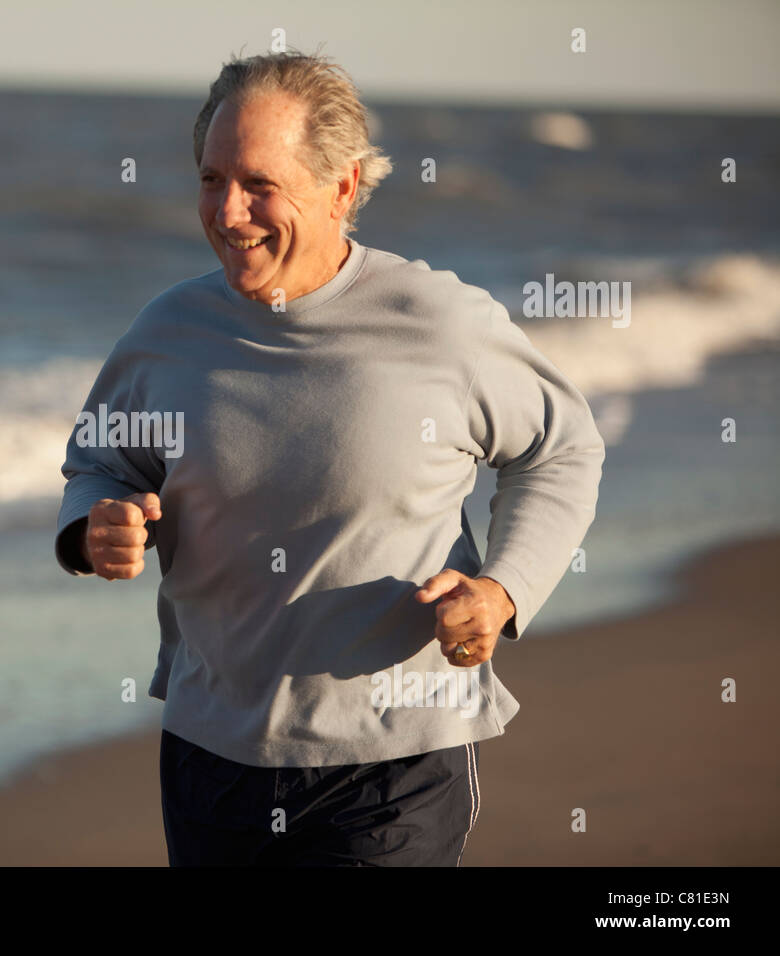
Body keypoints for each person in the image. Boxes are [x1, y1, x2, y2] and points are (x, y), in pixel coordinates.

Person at [55, 53, 605, 866]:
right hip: (211, 755)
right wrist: (94, 530)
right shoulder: (167, 332)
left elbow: (561, 448)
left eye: (259, 185)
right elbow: (101, 468)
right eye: (211, 180)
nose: (228, 213)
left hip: (393, 761)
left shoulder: (439, 323)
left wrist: (502, 590)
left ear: (343, 187)